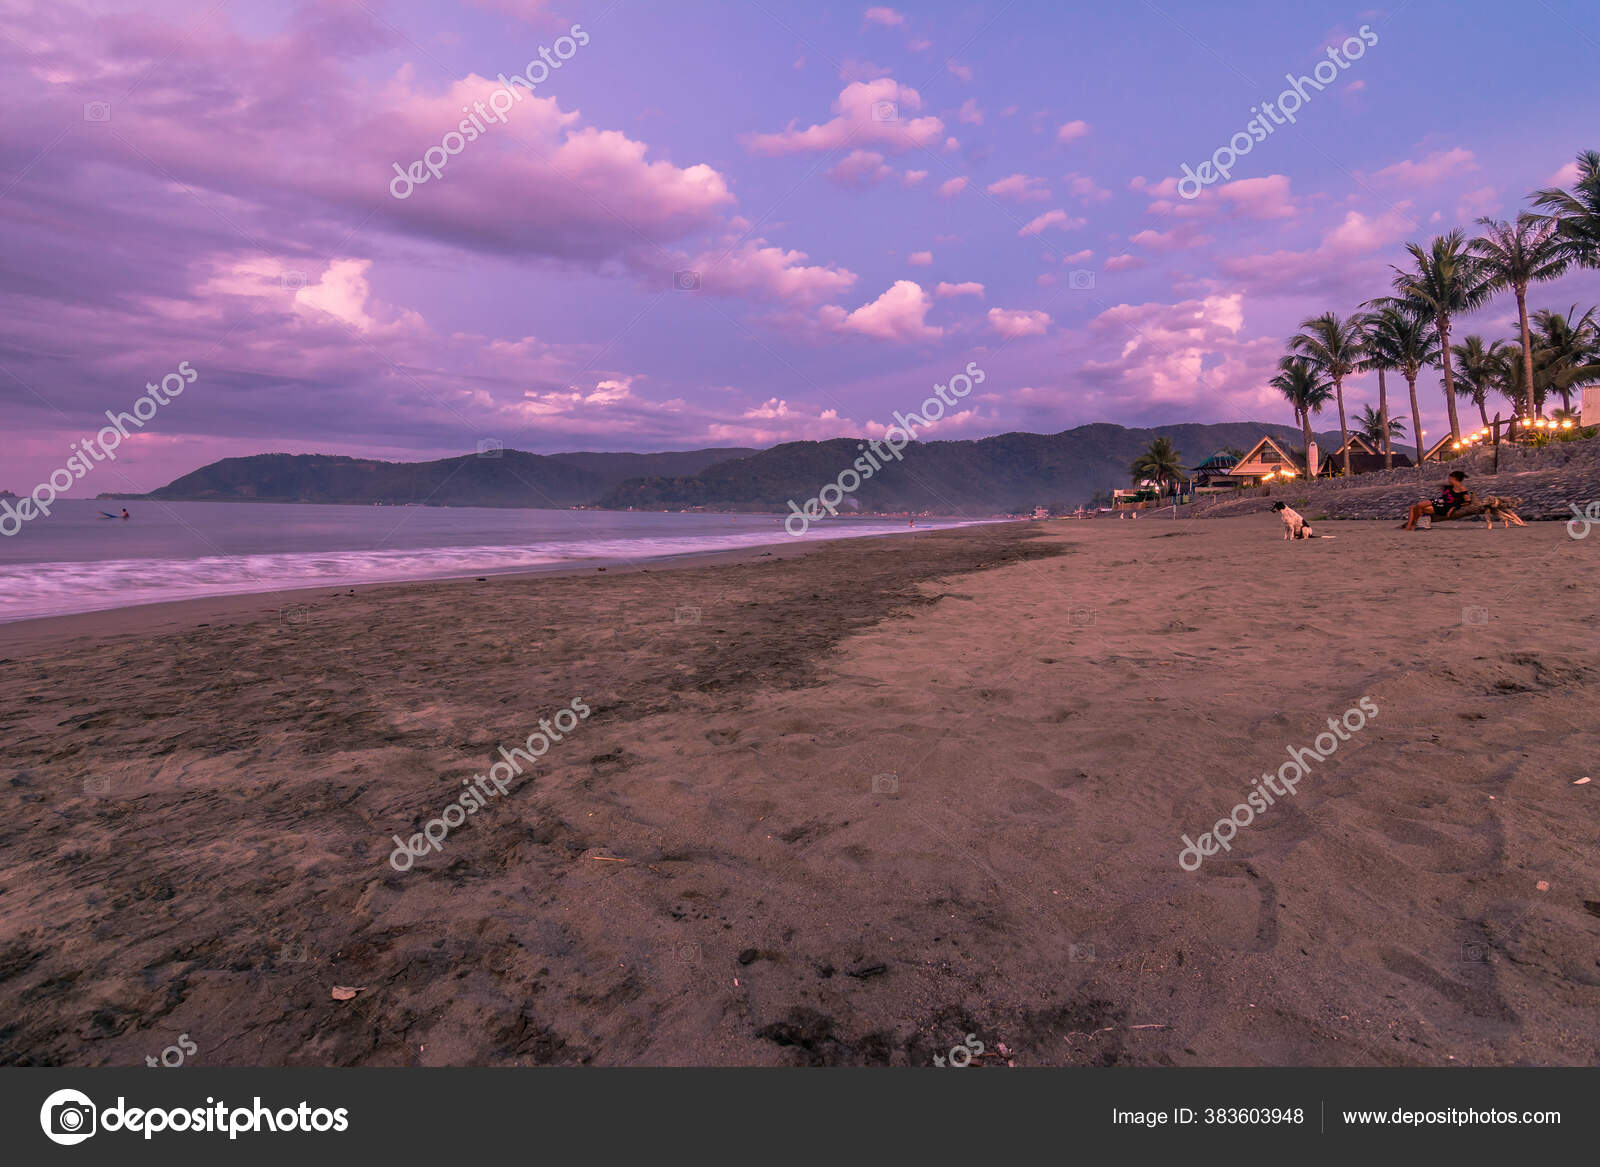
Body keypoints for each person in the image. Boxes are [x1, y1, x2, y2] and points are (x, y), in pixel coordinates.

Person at [1402, 470, 1470, 530]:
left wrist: (1453, 507)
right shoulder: (1449, 487)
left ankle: (1413, 525)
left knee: (1418, 507)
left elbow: (1468, 502)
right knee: (1414, 507)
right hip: (1440, 501)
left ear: (1454, 478)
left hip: (1445, 506)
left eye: (1449, 478)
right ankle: (1409, 526)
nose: (1448, 480)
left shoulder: (1462, 488)